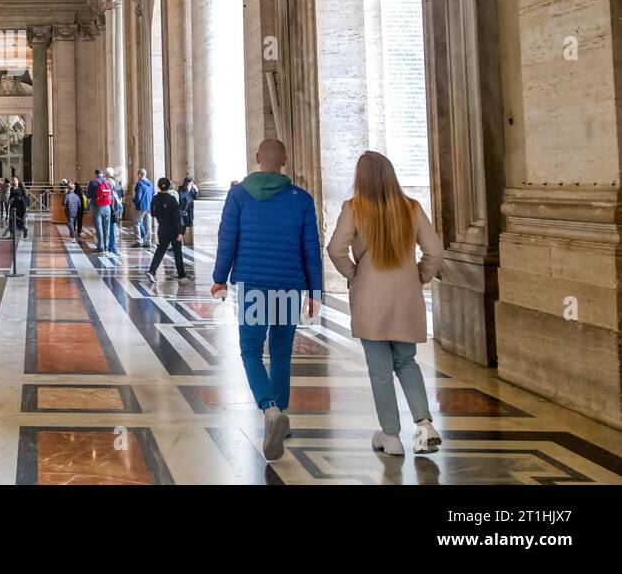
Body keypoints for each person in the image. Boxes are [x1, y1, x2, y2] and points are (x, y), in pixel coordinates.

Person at [327, 151, 444, 456]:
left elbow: (336, 248)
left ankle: (391, 435)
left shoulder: (354, 209)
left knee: (380, 370)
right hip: (406, 295)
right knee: (406, 361)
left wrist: (353, 275)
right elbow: (435, 251)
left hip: (370, 297)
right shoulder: (412, 208)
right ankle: (424, 424)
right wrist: (420, 276)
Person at [211, 139, 322, 462]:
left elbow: (227, 239)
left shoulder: (239, 195)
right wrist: (315, 291)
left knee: (250, 351)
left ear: (258, 158)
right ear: (284, 161)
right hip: (289, 285)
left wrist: (219, 278)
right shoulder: (301, 199)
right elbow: (310, 249)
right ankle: (281, 416)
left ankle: (270, 409)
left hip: (253, 285)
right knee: (281, 352)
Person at [147, 177, 188, 280]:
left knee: (160, 251)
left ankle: (152, 271)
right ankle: (181, 275)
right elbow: (176, 218)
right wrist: (180, 232)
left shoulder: (155, 199)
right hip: (173, 230)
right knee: (177, 252)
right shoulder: (172, 199)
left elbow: (152, 213)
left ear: (158, 186)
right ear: (169, 187)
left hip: (162, 228)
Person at [90, 169, 113, 253]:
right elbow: (112, 195)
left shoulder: (93, 183)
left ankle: (100, 247)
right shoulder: (108, 182)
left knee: (99, 228)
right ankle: (106, 246)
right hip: (107, 207)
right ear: (102, 174)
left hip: (97, 207)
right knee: (106, 227)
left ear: (96, 174)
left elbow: (88, 195)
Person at [132, 168, 155, 248]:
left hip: (140, 206)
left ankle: (138, 240)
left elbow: (138, 196)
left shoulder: (140, 184)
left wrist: (134, 201)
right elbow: (153, 195)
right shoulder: (151, 184)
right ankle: (147, 241)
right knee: (148, 225)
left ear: (139, 175)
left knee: (136, 223)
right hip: (148, 206)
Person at [106, 167, 125, 253]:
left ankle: (108, 246)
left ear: (106, 174)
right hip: (116, 207)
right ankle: (113, 246)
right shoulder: (117, 182)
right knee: (113, 227)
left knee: (106, 227)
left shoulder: (106, 182)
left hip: (108, 206)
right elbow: (122, 195)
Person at [178, 176, 199, 245]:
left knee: (185, 226)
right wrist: (187, 190)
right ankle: (179, 242)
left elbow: (196, 198)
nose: (190, 185)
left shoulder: (192, 189)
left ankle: (180, 241)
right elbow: (181, 197)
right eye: (189, 184)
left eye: (191, 184)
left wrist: (196, 190)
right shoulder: (181, 188)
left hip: (189, 211)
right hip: (182, 210)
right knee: (181, 226)